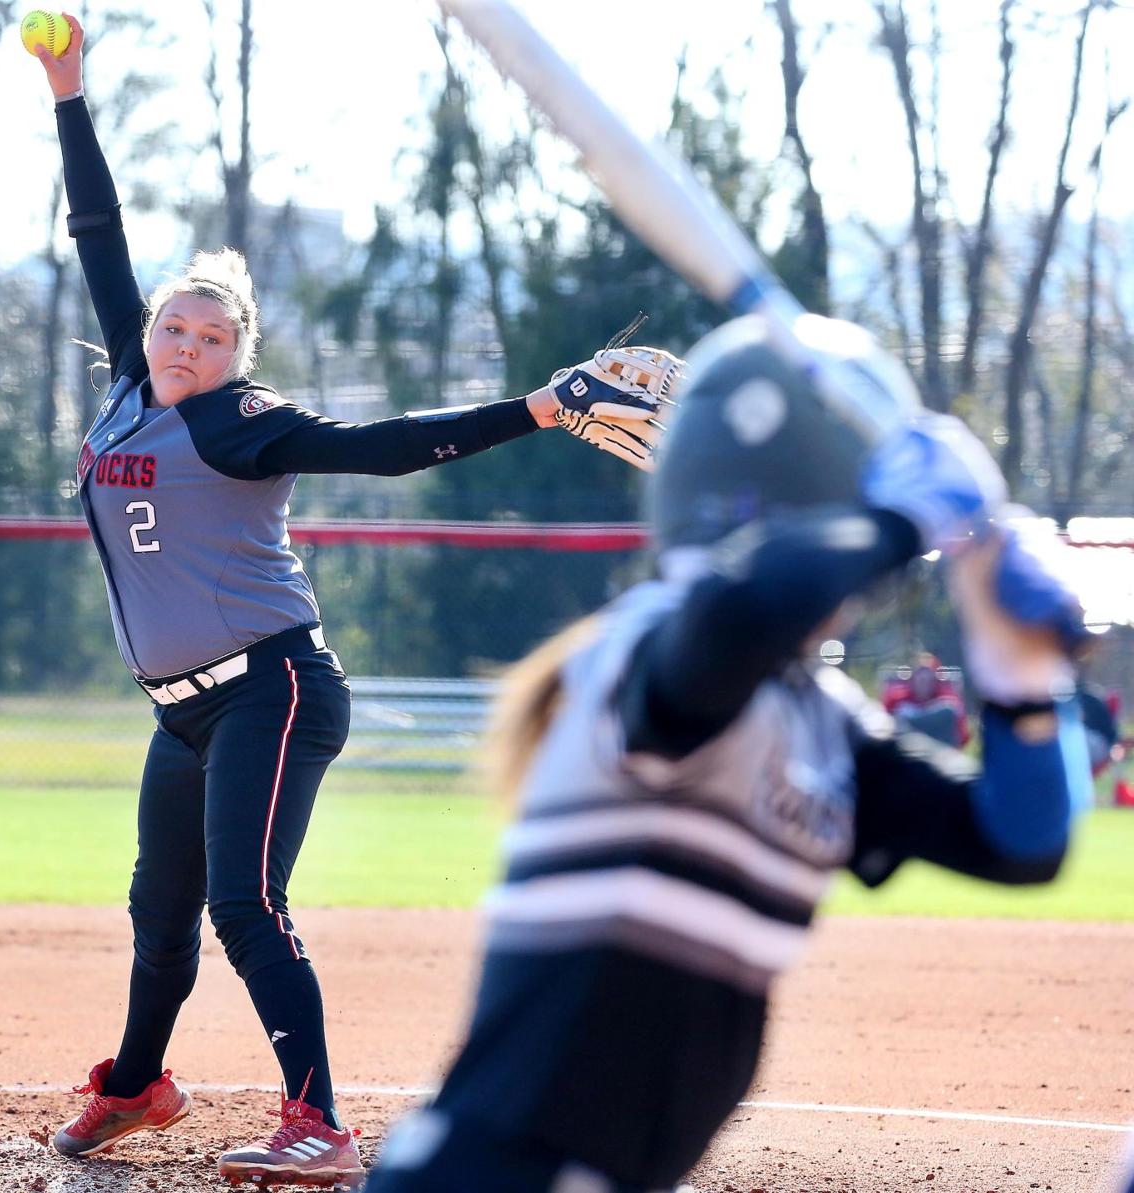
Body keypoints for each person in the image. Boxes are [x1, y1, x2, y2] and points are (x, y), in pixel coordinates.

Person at [30, 17, 680, 1190]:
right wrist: (68, 89)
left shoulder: (241, 419)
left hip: (270, 689)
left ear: (239, 352)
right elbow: (95, 229)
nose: (184, 341)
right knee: (158, 909)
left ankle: (318, 1120)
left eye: (210, 333)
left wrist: (535, 407)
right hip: (181, 709)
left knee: (244, 901)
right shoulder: (135, 387)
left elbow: (383, 447)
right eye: (174, 326)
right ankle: (136, 1081)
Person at [365, 313, 1093, 1193]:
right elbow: (742, 612)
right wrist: (903, 523)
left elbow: (1018, 844)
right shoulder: (651, 644)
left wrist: (1017, 677)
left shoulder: (822, 719)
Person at [880, 652, 970, 747]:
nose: (924, 684)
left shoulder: (948, 700)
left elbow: (961, 736)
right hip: (907, 751)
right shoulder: (897, 699)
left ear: (935, 681)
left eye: (928, 679)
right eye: (920, 679)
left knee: (947, 711)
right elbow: (884, 729)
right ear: (912, 679)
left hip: (939, 751)